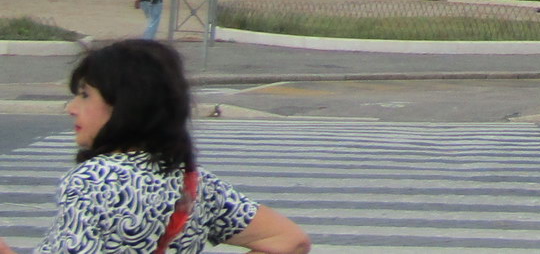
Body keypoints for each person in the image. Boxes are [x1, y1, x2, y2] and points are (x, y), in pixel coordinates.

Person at [0, 38, 310, 254]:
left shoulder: (93, 180)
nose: (71, 107)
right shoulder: (196, 183)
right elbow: (291, 240)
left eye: (85, 95)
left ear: (123, 104)